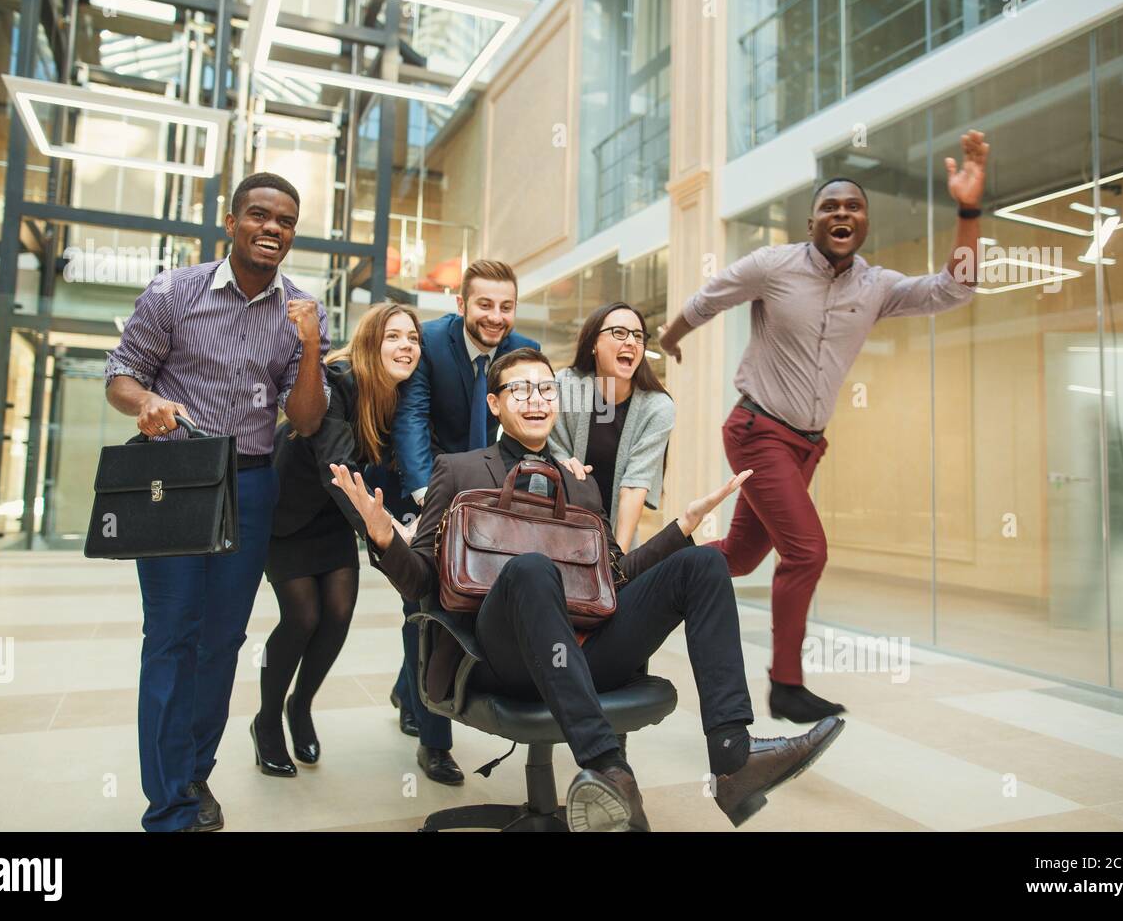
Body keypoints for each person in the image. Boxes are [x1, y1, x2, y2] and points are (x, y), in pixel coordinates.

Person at [330, 347, 846, 832]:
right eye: (521, 390)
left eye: (547, 391)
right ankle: (607, 768)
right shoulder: (459, 471)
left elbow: (614, 577)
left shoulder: (579, 484)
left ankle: (735, 759)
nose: (537, 401)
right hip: (497, 656)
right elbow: (421, 580)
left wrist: (682, 528)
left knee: (701, 565)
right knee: (533, 569)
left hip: (583, 649)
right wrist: (383, 540)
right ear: (495, 403)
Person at [657, 130, 991, 724]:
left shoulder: (877, 286)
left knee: (736, 558)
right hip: (756, 430)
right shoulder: (772, 266)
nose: (843, 213)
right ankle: (786, 685)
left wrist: (968, 210)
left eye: (853, 207)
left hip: (805, 447)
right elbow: (709, 297)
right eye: (830, 206)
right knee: (807, 553)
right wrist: (669, 338)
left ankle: (647, 570)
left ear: (864, 223)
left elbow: (954, 289)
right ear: (812, 222)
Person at [104, 172, 329, 832]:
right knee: (172, 636)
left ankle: (193, 773)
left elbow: (308, 419)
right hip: (173, 473)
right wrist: (145, 402)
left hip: (253, 482)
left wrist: (312, 343)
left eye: (285, 221)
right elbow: (122, 374)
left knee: (224, 639)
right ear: (231, 223)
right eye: (258, 215)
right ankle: (169, 805)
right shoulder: (174, 291)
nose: (272, 228)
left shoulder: (300, 310)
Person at [387, 259, 540, 784]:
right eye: (484, 305)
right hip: (428, 484)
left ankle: (411, 687)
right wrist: (434, 500)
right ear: (461, 304)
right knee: (425, 604)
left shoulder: (525, 351)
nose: (495, 317)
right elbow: (410, 420)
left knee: (473, 600)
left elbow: (527, 423)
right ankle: (434, 743)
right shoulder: (431, 343)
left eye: (506, 306)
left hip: (493, 496)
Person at [253, 302, 422, 777]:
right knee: (302, 616)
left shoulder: (401, 394)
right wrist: (384, 527)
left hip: (335, 511)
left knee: (340, 613)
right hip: (290, 509)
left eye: (412, 338)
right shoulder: (340, 380)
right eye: (393, 336)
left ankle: (300, 706)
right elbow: (337, 470)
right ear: (371, 340)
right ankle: (266, 722)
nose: (405, 346)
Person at [550, 302, 674, 552]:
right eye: (619, 332)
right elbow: (554, 452)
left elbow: (634, 486)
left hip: (615, 537)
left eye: (638, 336)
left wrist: (618, 560)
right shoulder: (567, 386)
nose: (631, 342)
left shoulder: (657, 408)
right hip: (555, 532)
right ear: (594, 343)